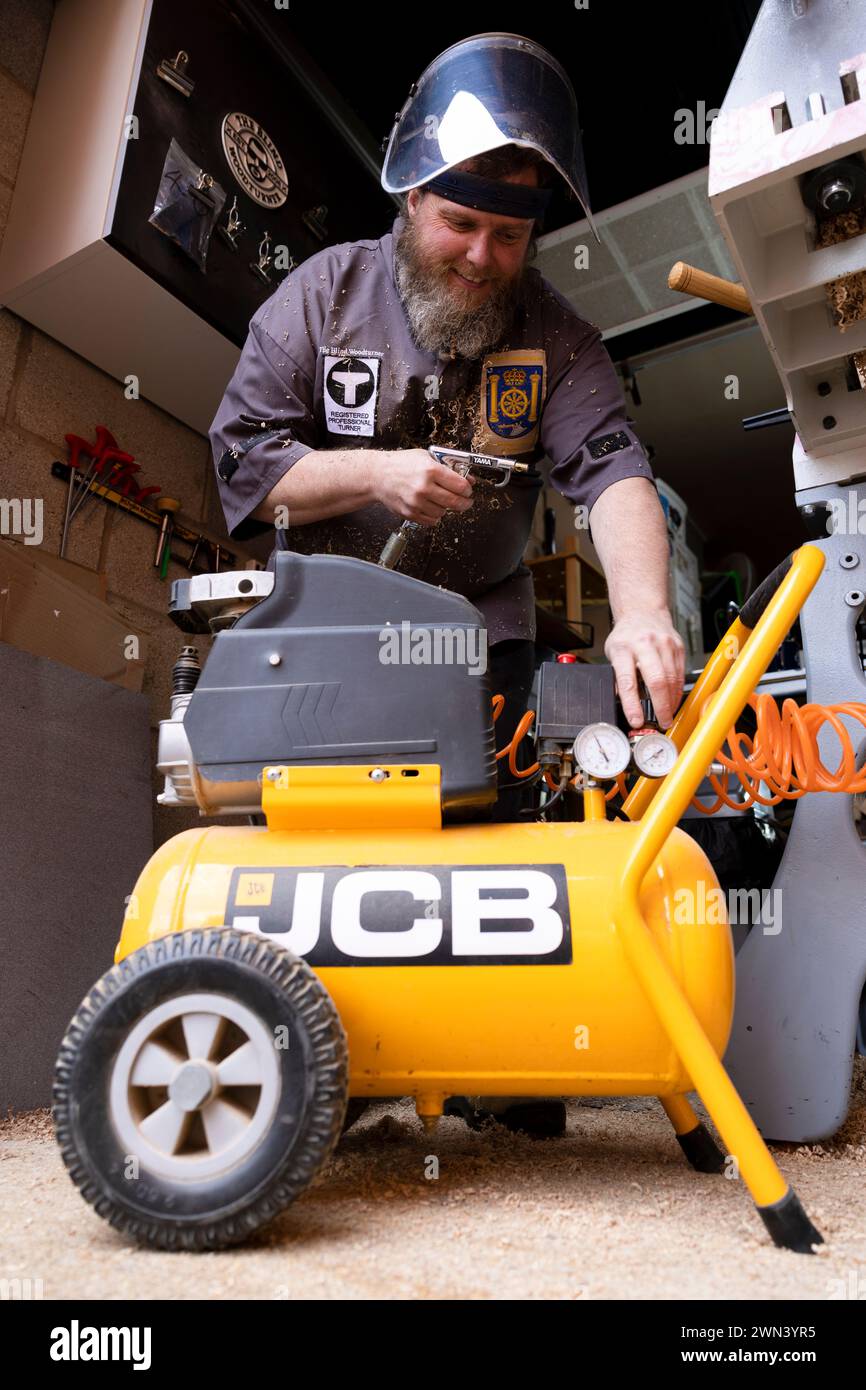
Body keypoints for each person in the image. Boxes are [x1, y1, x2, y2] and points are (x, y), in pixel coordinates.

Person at [209, 32, 685, 1137]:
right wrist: (372, 470)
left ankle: (504, 1073)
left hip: (482, 633)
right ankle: (328, 1072)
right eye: (458, 223)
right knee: (330, 856)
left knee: (494, 847)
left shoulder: (558, 340)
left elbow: (611, 469)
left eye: (506, 235)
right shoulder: (319, 300)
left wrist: (647, 613)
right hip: (332, 629)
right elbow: (238, 461)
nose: (479, 256)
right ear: (410, 199)